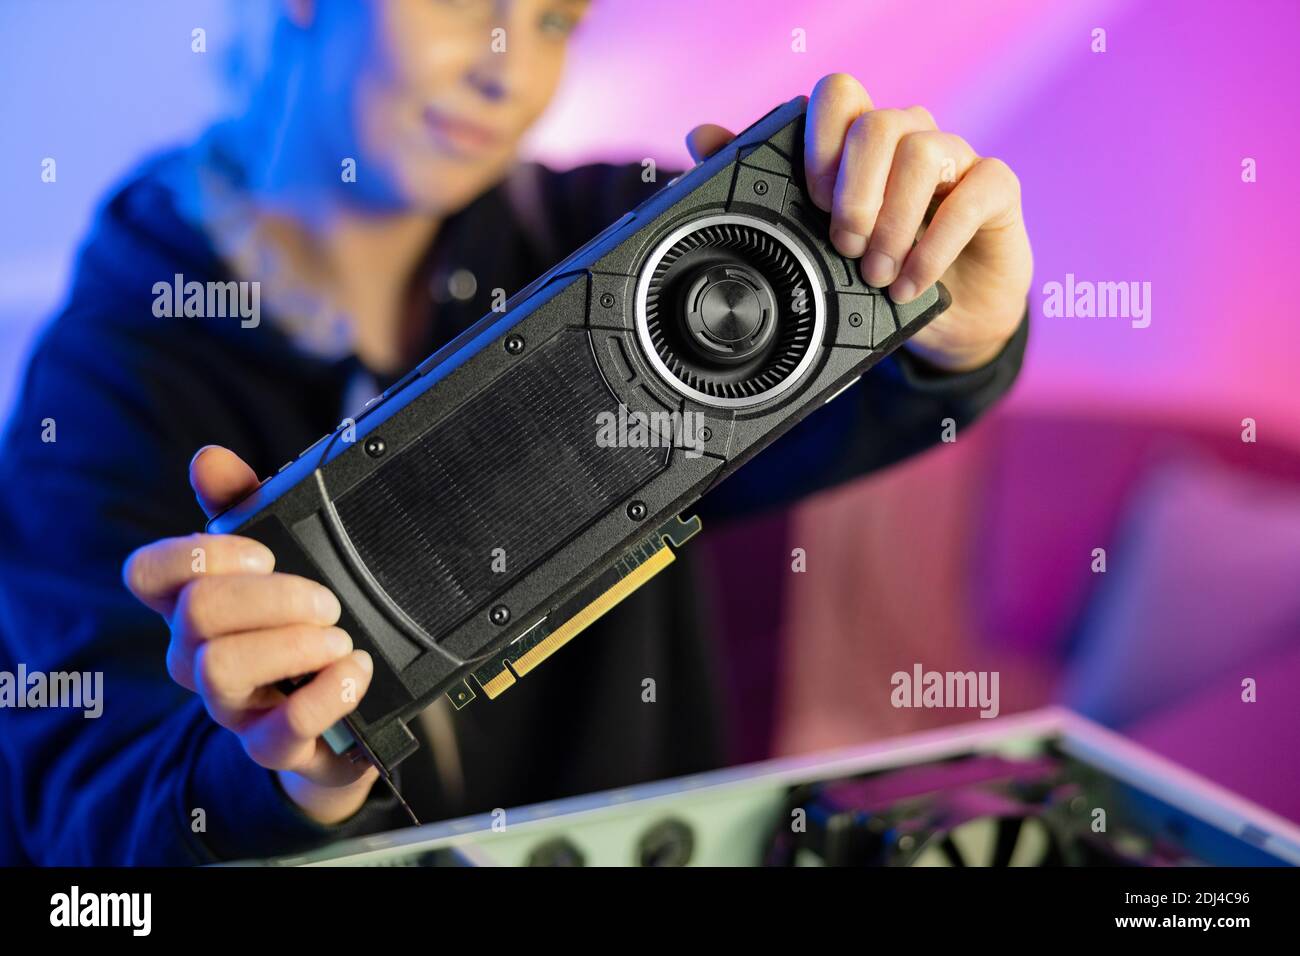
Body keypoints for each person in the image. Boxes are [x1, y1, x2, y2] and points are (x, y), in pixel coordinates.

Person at [0, 0, 1031, 864]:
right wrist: (273, 773)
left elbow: (847, 406)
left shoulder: (630, 239)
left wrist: (948, 323)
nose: (508, 72)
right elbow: (79, 813)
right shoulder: (113, 377)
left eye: (552, 20)